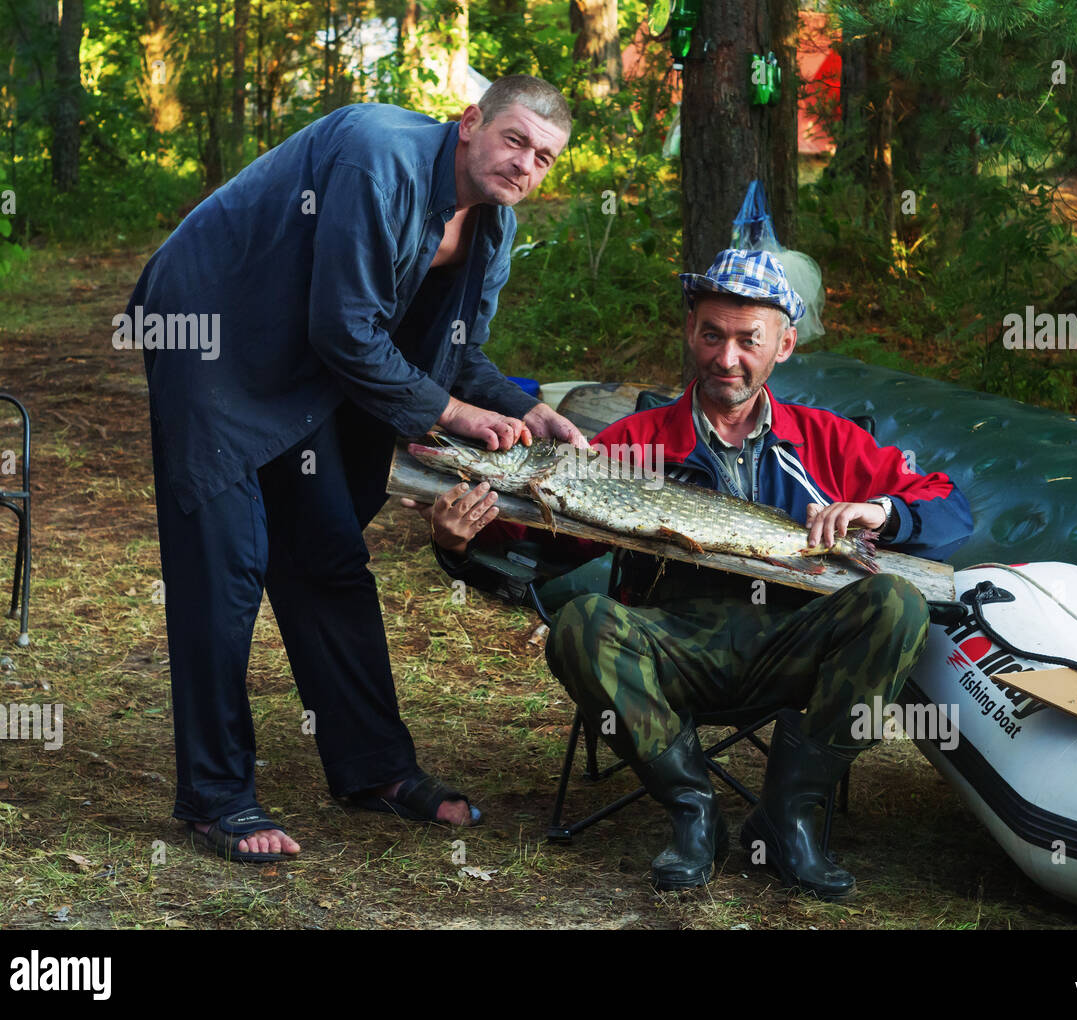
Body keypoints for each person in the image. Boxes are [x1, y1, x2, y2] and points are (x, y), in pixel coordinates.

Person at [413, 249, 973, 897]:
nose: (726, 358)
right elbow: (531, 560)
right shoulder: (632, 444)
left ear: (784, 345)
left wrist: (880, 510)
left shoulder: (829, 441)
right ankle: (691, 810)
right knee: (580, 623)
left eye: (747, 340)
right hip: (670, 653)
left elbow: (948, 505)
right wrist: (459, 547)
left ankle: (789, 812)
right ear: (689, 333)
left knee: (896, 605)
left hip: (790, 654)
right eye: (712, 335)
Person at [125, 75, 584, 862]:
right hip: (211, 337)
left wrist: (520, 405)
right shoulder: (381, 159)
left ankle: (374, 769)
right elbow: (347, 330)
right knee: (225, 567)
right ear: (470, 122)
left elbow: (455, 347)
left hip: (300, 354)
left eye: (543, 159)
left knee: (328, 554)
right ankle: (215, 796)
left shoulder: (492, 225)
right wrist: (454, 416)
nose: (525, 167)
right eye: (515, 140)